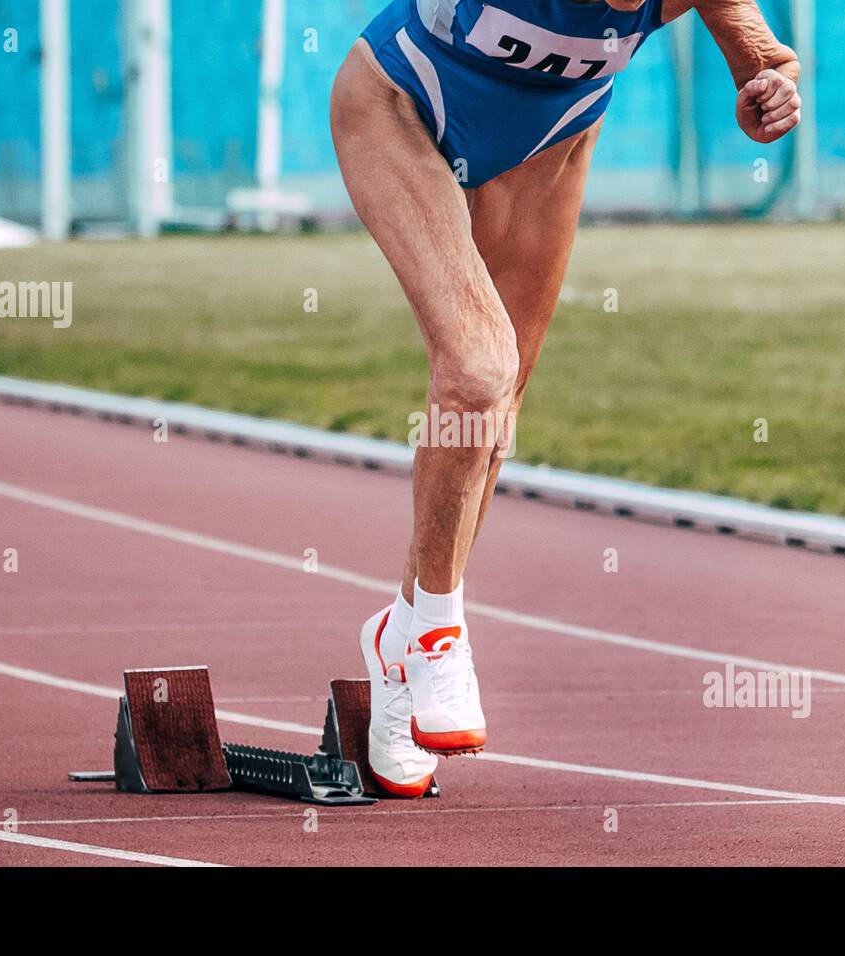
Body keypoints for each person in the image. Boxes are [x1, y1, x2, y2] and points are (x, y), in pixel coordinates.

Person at [329, 0, 802, 796]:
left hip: (548, 148)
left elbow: (768, 64)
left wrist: (773, 92)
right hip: (399, 103)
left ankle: (401, 645)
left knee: (494, 410)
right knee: (476, 367)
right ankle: (439, 634)